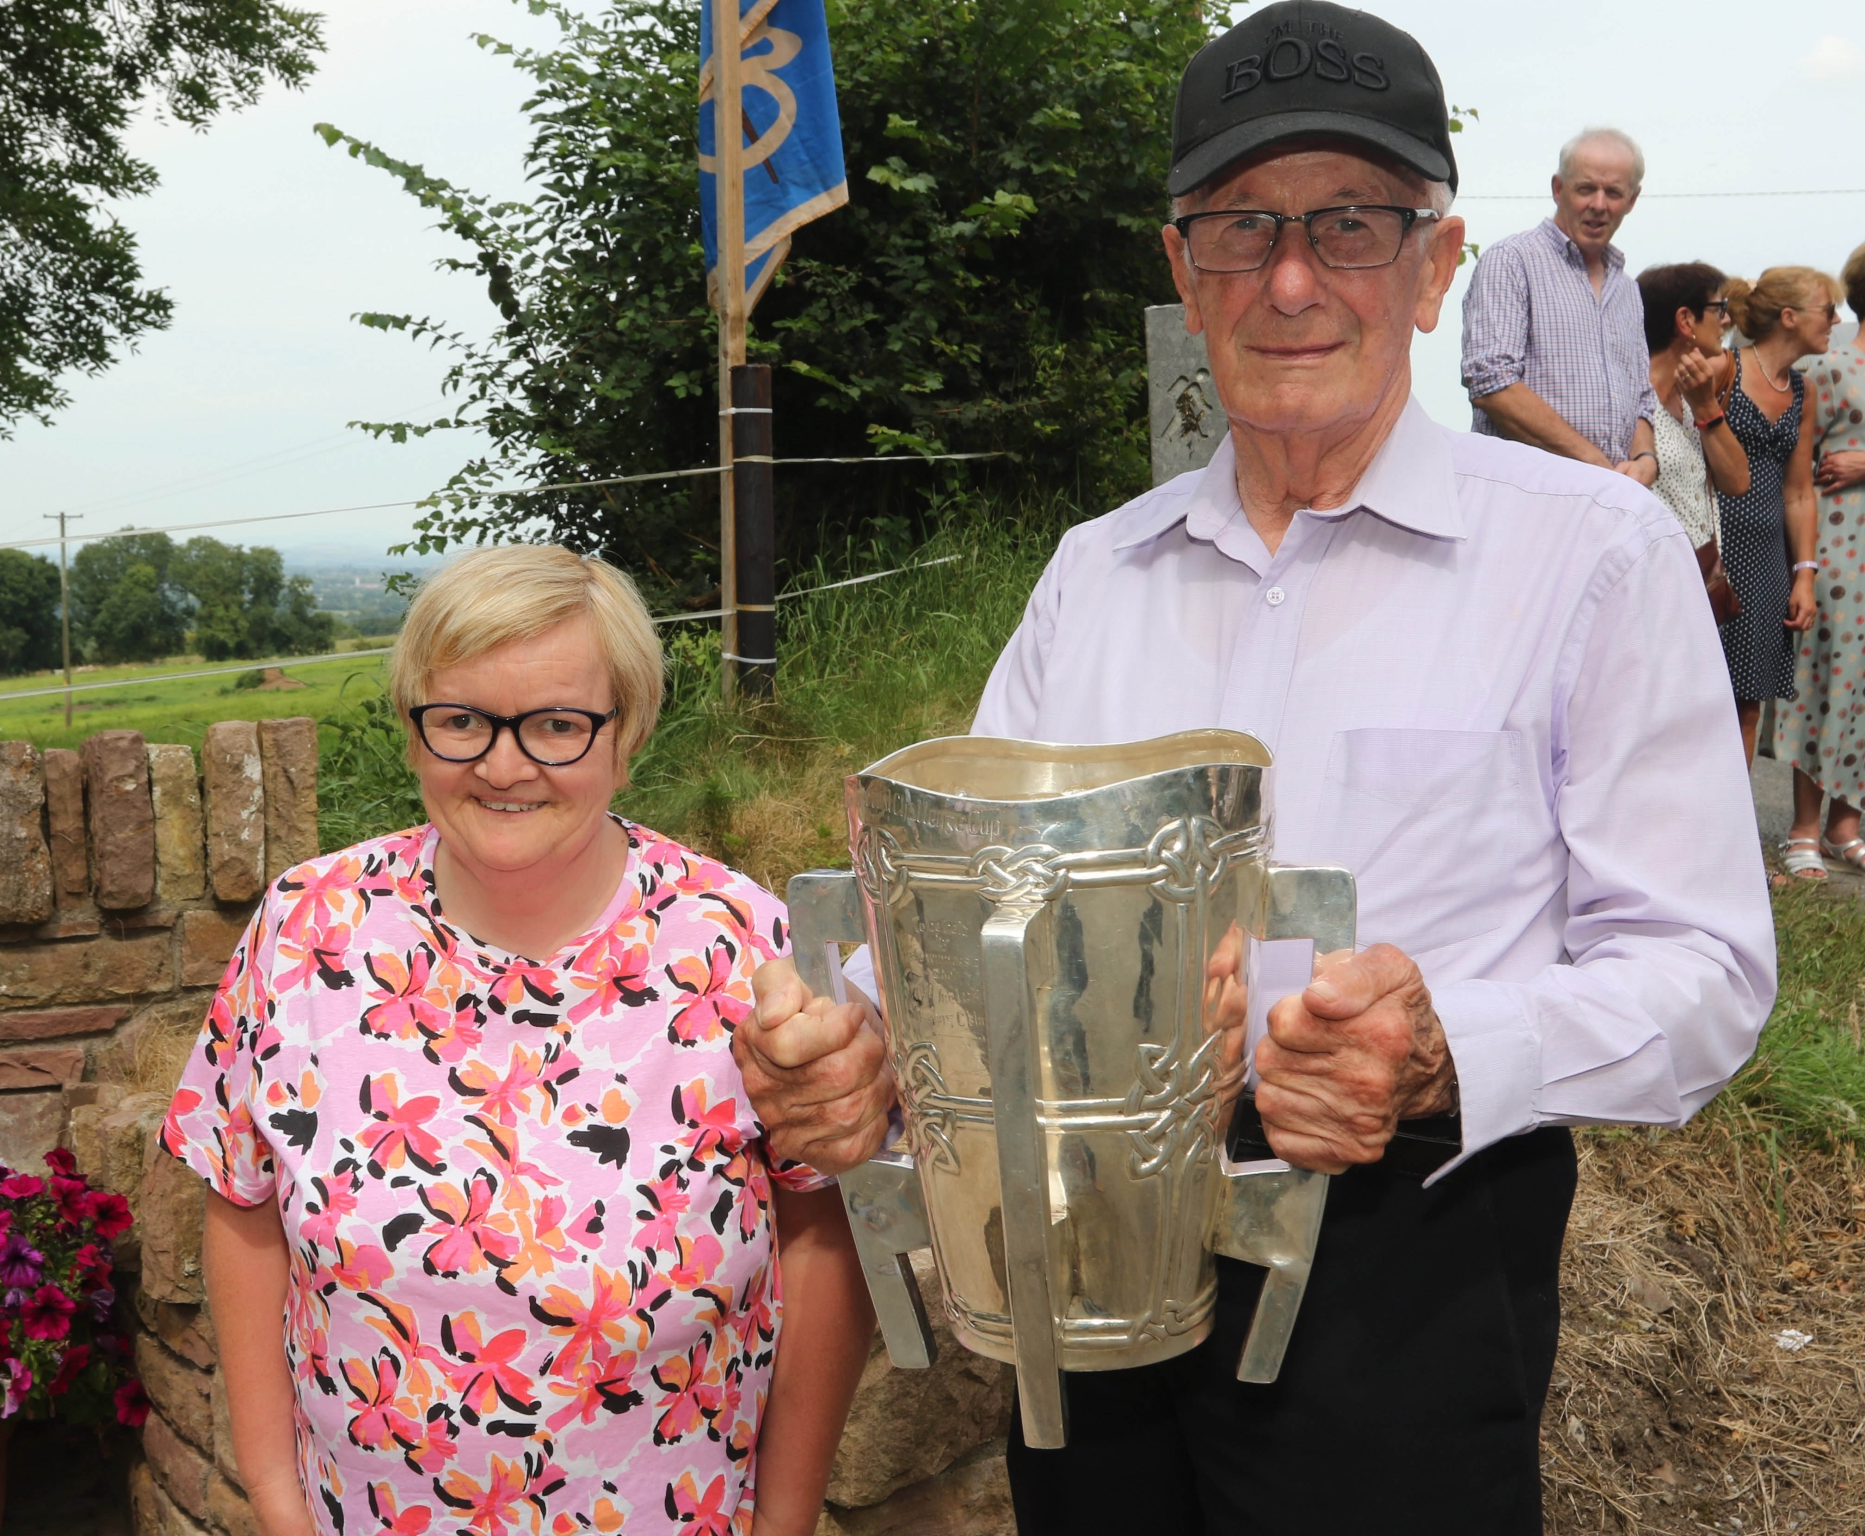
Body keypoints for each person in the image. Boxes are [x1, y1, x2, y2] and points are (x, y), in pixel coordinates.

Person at [733, 5, 1774, 1533]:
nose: (1291, 279)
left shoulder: (1588, 553)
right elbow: (966, 924)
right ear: (1181, 269)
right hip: (1079, 1265)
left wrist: (1442, 1048)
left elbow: (1706, 973)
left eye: (1351, 224)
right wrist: (869, 1061)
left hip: (1404, 1269)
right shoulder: (1094, 579)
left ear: (1434, 267)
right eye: (1239, 228)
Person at [159, 547, 874, 1536]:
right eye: (460, 721)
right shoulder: (303, 931)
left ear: (627, 738)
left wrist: (786, 1521)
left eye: (555, 725)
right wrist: (278, 1499)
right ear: (413, 732)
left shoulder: (741, 947)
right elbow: (243, 1205)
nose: (502, 765)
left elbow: (825, 1231)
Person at [1461, 127, 1658, 484]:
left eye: (1613, 192)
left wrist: (1646, 459)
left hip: (1609, 507)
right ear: (1557, 188)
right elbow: (1492, 383)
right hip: (1526, 501)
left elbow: (1643, 398)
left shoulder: (1628, 290)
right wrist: (1596, 466)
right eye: (1585, 188)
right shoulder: (1512, 261)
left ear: (1632, 199)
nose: (1598, 204)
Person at [1715, 267, 1834, 855]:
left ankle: (1729, 843)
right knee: (1697, 696)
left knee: (1746, 703)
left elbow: (1799, 490)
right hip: (1712, 548)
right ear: (1789, 317)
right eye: (1825, 309)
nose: (1834, 320)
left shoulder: (1804, 390)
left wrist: (1804, 575)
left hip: (1766, 559)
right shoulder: (1725, 369)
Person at [1781, 245, 1865, 872]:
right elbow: (1794, 465)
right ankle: (1806, 826)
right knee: (1826, 670)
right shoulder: (1825, 366)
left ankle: (1847, 821)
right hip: (1838, 540)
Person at [1638, 262, 1749, 553]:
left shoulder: (1691, 397)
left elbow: (1738, 482)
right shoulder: (1628, 402)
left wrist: (1707, 407)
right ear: (1686, 320)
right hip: (1653, 582)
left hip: (1699, 581)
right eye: (1718, 309)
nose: (1725, 321)